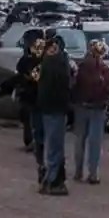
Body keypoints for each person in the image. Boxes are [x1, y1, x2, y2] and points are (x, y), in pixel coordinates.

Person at [73, 39, 109, 185]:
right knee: (95, 141)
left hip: (81, 106)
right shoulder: (105, 70)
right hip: (98, 107)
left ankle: (79, 171)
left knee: (80, 140)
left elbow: (74, 85)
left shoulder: (81, 68)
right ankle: (93, 173)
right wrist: (104, 100)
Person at [36, 35, 74, 195]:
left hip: (48, 109)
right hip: (56, 109)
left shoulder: (47, 63)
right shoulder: (58, 64)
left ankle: (49, 179)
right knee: (55, 146)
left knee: (52, 145)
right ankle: (53, 180)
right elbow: (66, 85)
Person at [14, 31, 45, 156]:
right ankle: (33, 142)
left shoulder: (39, 56)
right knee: (29, 118)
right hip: (30, 92)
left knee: (35, 119)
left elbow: (35, 74)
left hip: (36, 92)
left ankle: (36, 142)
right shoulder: (30, 55)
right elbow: (20, 68)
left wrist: (30, 77)